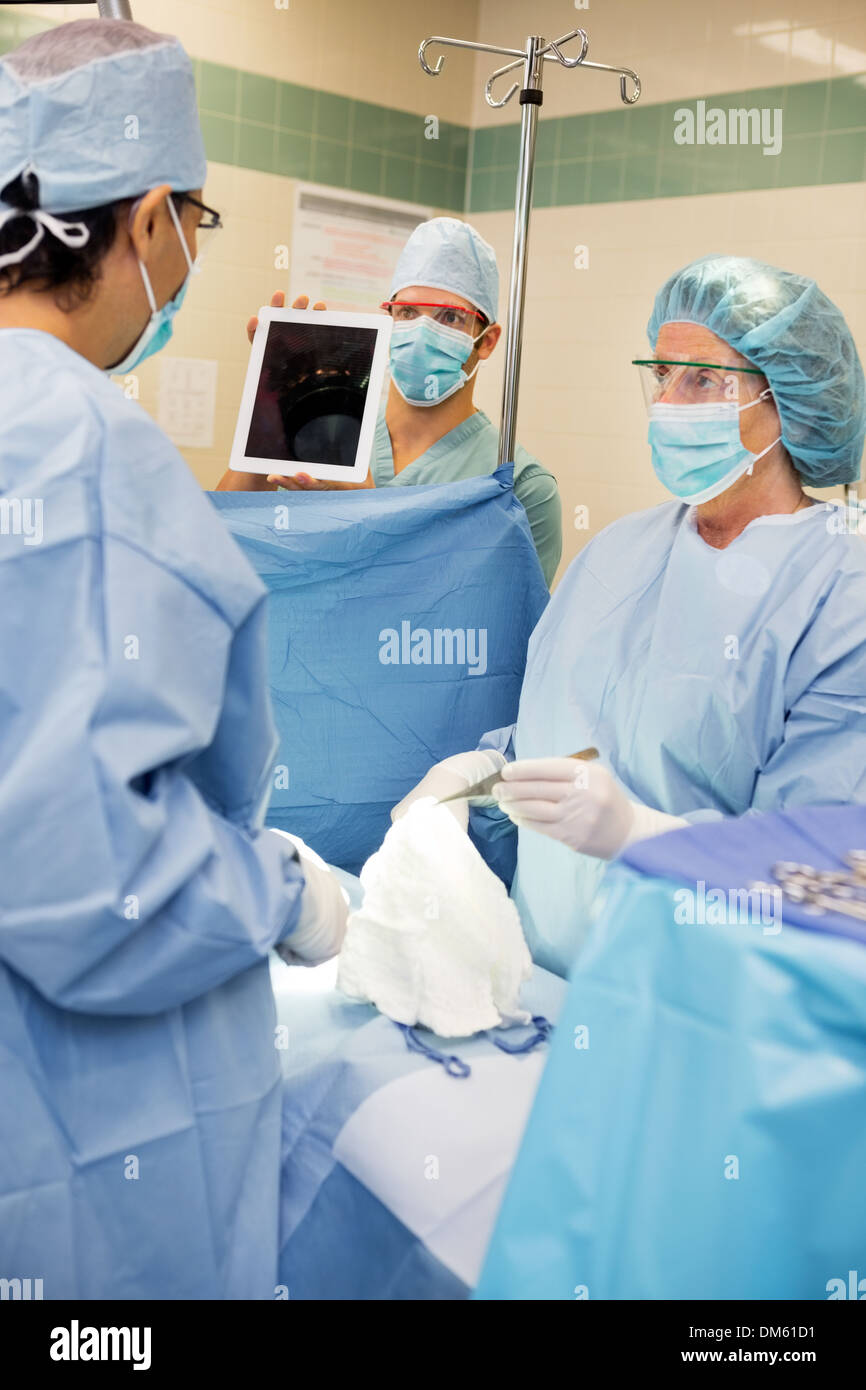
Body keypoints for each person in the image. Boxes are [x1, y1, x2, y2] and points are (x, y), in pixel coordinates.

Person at [0, 19, 347, 1298]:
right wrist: (282, 889)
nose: (192, 250)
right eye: (196, 220)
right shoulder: (77, 443)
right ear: (148, 222)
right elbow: (84, 880)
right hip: (75, 1126)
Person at [396, 255, 866, 977]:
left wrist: (640, 835)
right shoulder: (621, 550)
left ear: (788, 400)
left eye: (703, 378)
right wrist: (484, 775)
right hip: (543, 988)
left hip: (693, 1011)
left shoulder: (840, 589)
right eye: (662, 374)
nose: (669, 402)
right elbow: (561, 739)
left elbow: (821, 870)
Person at [218, 218, 563, 586]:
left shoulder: (523, 489)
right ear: (389, 319)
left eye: (450, 318)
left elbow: (492, 629)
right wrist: (273, 404)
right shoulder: (331, 431)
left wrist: (368, 513)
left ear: (488, 340)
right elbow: (219, 543)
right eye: (408, 313)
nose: (421, 332)